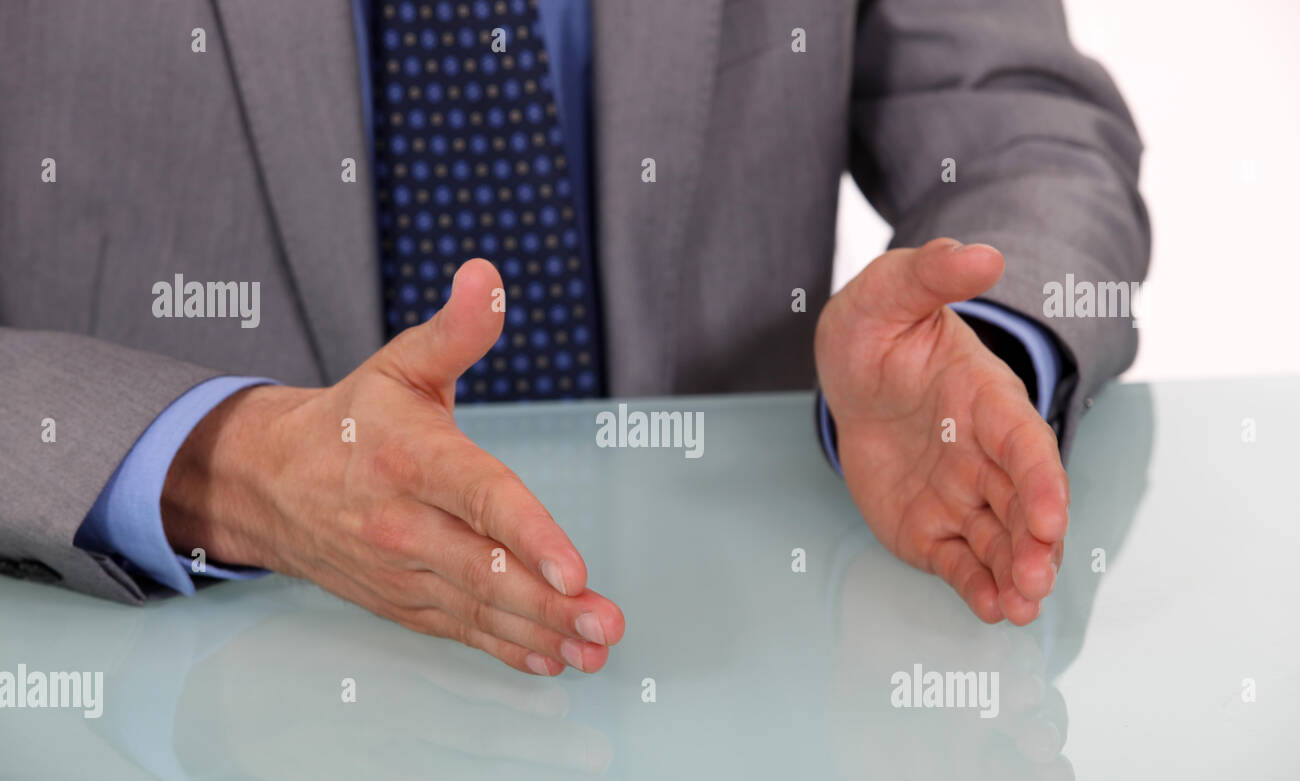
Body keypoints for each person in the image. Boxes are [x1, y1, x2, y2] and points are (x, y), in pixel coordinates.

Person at [0, 0, 1149, 676]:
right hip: (171, 704)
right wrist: (220, 466)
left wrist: (975, 355)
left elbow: (1027, 129)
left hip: (724, 680)